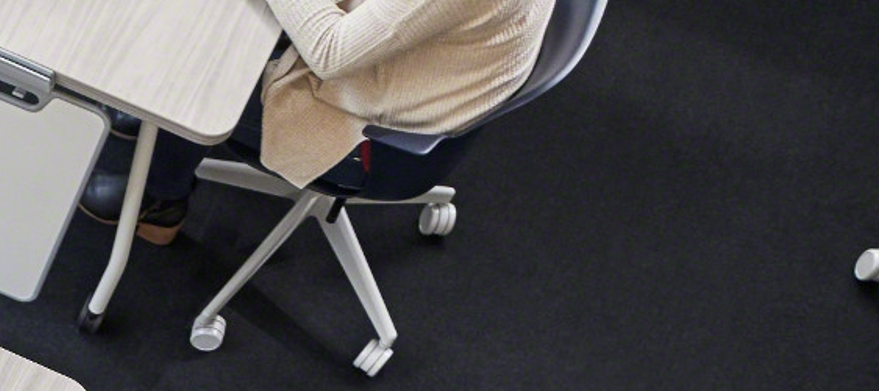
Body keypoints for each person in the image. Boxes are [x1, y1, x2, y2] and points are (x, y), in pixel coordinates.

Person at [79, 0, 555, 242]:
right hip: (410, 63)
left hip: (377, 135)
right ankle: (153, 124)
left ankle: (159, 197)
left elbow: (331, 52)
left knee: (195, 64)